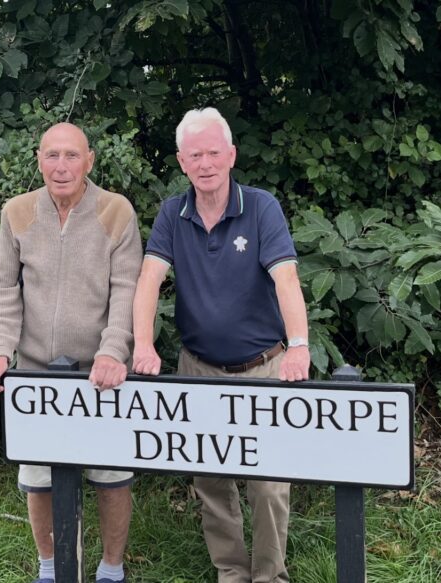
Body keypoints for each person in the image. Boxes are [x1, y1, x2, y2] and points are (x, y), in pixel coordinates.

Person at [131, 107, 310, 583]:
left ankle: (270, 576)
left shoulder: (261, 207)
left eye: (213, 152)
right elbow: (150, 279)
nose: (205, 163)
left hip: (263, 369)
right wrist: (143, 345)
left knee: (269, 487)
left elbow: (286, 280)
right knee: (210, 480)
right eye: (195, 155)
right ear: (181, 162)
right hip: (199, 369)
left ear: (231, 155)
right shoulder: (173, 212)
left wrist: (299, 346)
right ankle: (230, 572)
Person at [0, 122, 142, 583]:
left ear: (89, 160)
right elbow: (4, 288)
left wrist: (113, 351)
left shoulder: (116, 212)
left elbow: (127, 291)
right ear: (38, 159)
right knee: (40, 479)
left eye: (71, 156)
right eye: (52, 156)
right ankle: (50, 567)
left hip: (99, 373)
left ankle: (111, 568)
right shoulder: (17, 212)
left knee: (111, 476)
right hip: (35, 373)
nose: (61, 166)